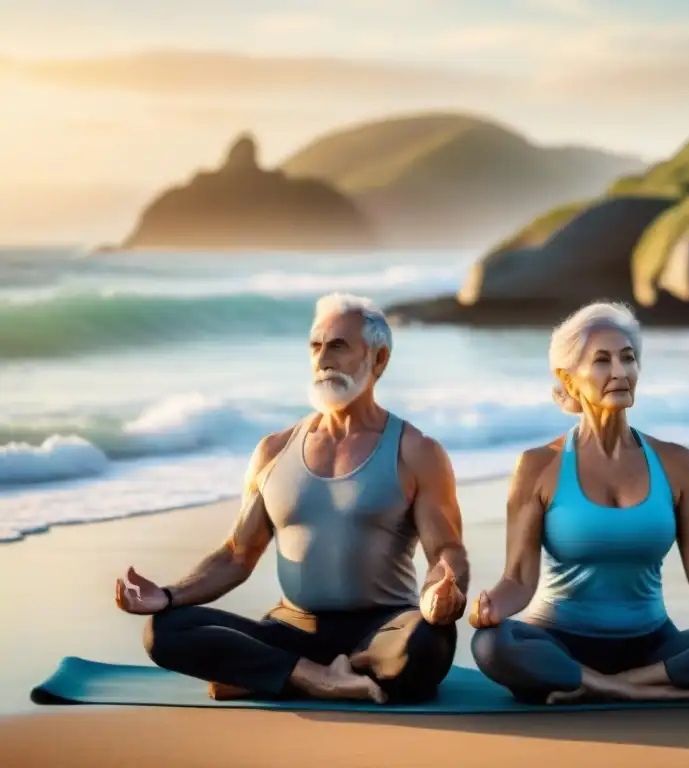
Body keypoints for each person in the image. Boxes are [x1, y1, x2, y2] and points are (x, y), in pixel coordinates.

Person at [114, 292, 469, 705]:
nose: (323, 359)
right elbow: (236, 556)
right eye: (315, 346)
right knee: (164, 630)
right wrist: (169, 595)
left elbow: (446, 550)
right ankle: (317, 677)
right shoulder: (274, 451)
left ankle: (272, 674)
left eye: (338, 345)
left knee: (427, 643)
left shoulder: (416, 451)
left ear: (379, 358)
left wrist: (441, 593)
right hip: (291, 630)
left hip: (382, 630)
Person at [468, 301, 689, 705]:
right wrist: (488, 609)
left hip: (653, 646)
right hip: (558, 644)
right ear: (568, 379)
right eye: (602, 361)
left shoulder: (676, 462)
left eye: (628, 358)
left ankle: (622, 682)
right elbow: (518, 580)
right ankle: (625, 687)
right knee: (491, 644)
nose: (620, 371)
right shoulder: (538, 466)